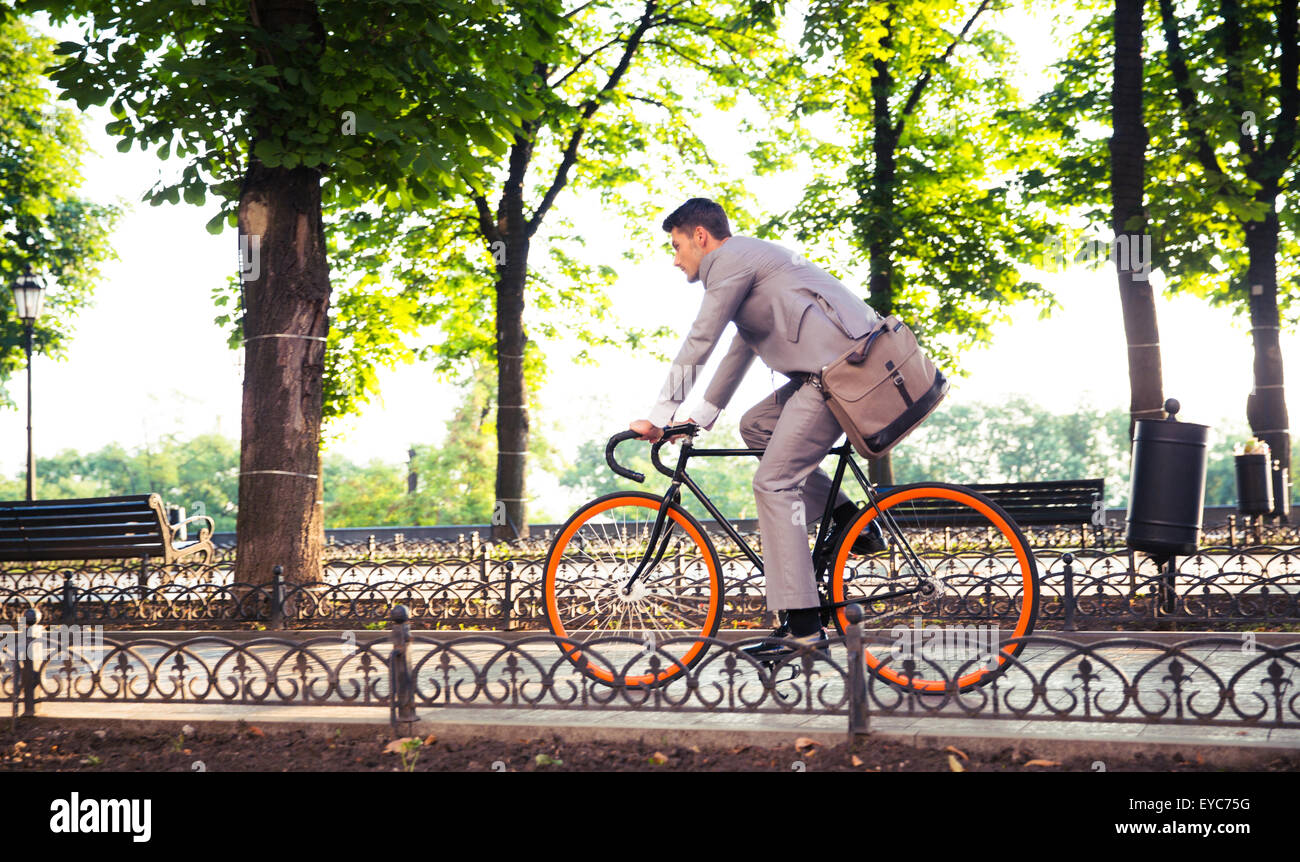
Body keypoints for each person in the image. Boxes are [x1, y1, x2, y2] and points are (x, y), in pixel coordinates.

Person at [629, 197, 887, 659]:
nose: (675, 258)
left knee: (773, 483)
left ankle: (804, 627)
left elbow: (701, 339)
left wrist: (661, 413)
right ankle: (853, 523)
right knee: (757, 426)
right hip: (836, 370)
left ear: (701, 238)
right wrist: (697, 418)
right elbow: (739, 349)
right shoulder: (750, 264)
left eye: (677, 245)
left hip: (841, 373)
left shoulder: (731, 260)